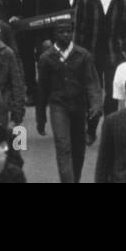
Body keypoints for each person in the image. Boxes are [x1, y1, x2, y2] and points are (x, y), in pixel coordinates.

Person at [35, 17, 103, 184]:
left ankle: (75, 179)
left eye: (68, 31)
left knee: (78, 149)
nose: (65, 35)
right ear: (54, 34)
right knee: (63, 146)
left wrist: (95, 104)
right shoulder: (46, 58)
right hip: (59, 106)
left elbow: (92, 82)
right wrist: (40, 117)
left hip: (79, 106)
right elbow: (42, 90)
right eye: (61, 32)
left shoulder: (83, 55)